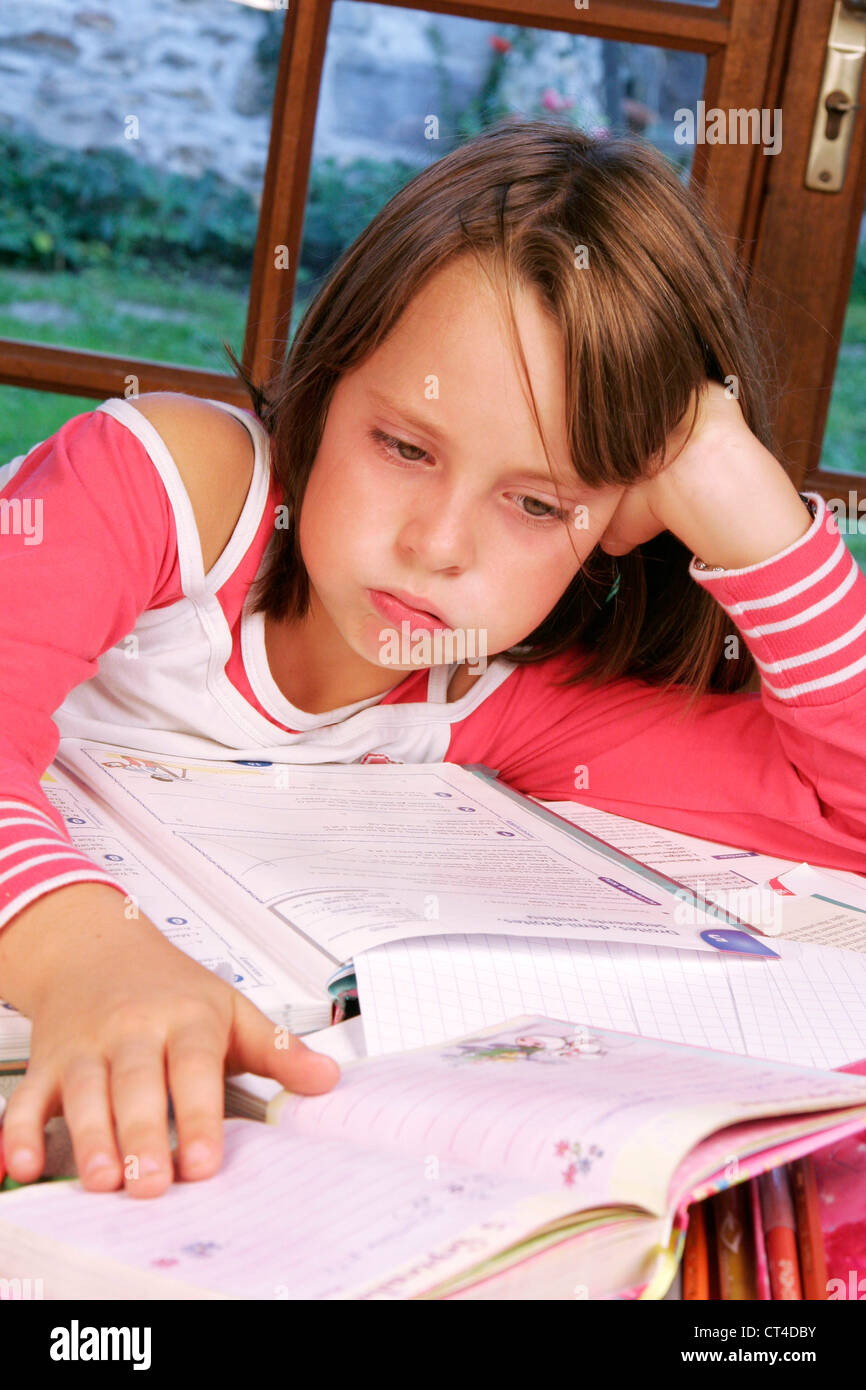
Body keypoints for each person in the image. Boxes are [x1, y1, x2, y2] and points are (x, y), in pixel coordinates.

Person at [1, 119, 864, 1201]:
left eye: (537, 502)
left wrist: (759, 526)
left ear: (620, 524)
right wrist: (86, 952)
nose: (436, 545)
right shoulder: (171, 486)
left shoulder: (500, 698)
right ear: (330, 372)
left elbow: (843, 813)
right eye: (405, 446)